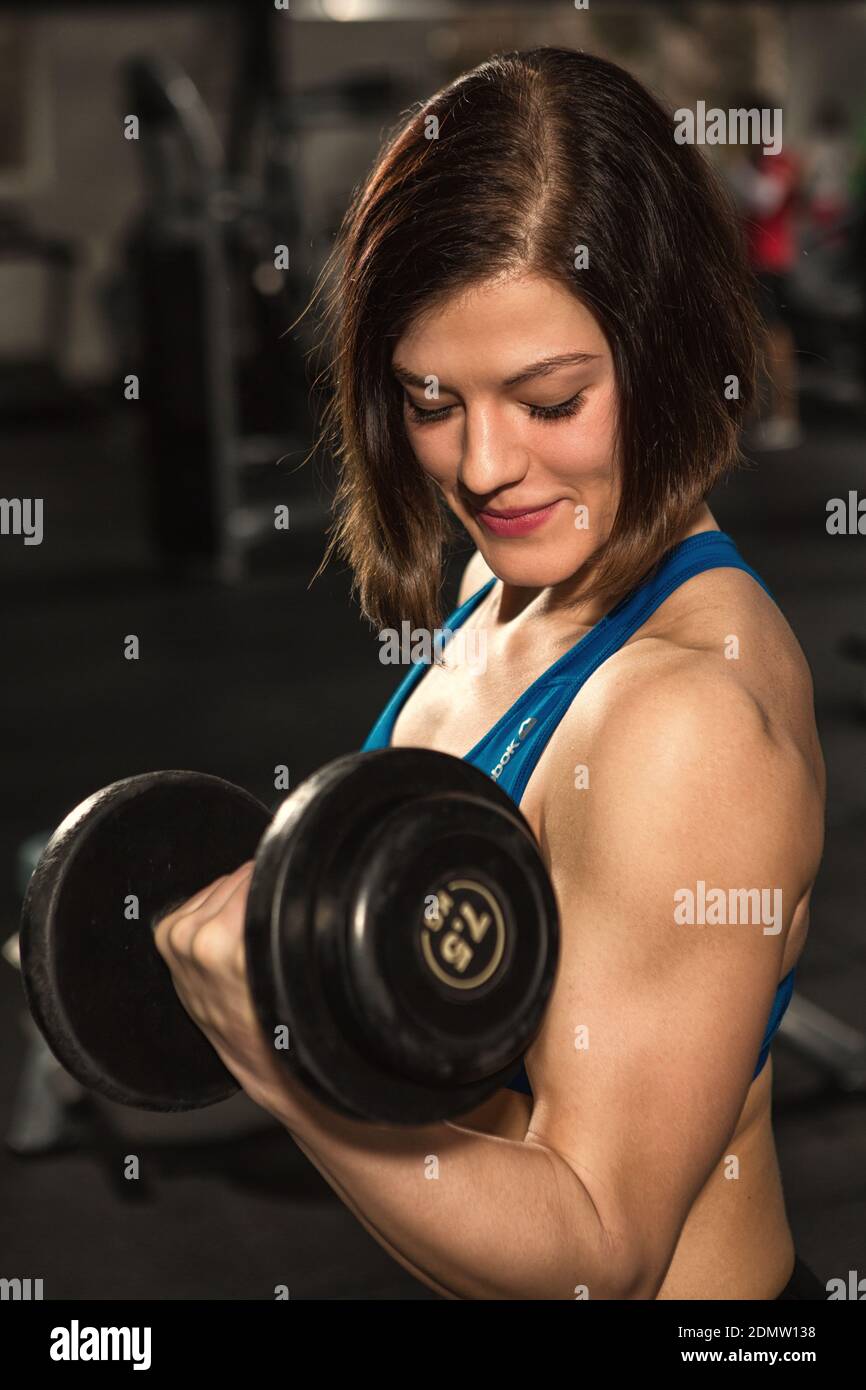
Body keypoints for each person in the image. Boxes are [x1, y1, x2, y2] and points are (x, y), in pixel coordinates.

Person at [153, 48, 826, 1300]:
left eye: (549, 399)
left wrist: (281, 1050)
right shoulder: (503, 579)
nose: (481, 467)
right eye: (429, 400)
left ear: (665, 349)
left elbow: (596, 1248)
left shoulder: (681, 722)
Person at [726, 95, 803, 450]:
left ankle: (787, 417)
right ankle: (761, 413)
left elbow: (764, 199)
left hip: (774, 263)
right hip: (752, 262)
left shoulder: (779, 159)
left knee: (776, 341)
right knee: (756, 339)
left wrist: (740, 166)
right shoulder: (759, 159)